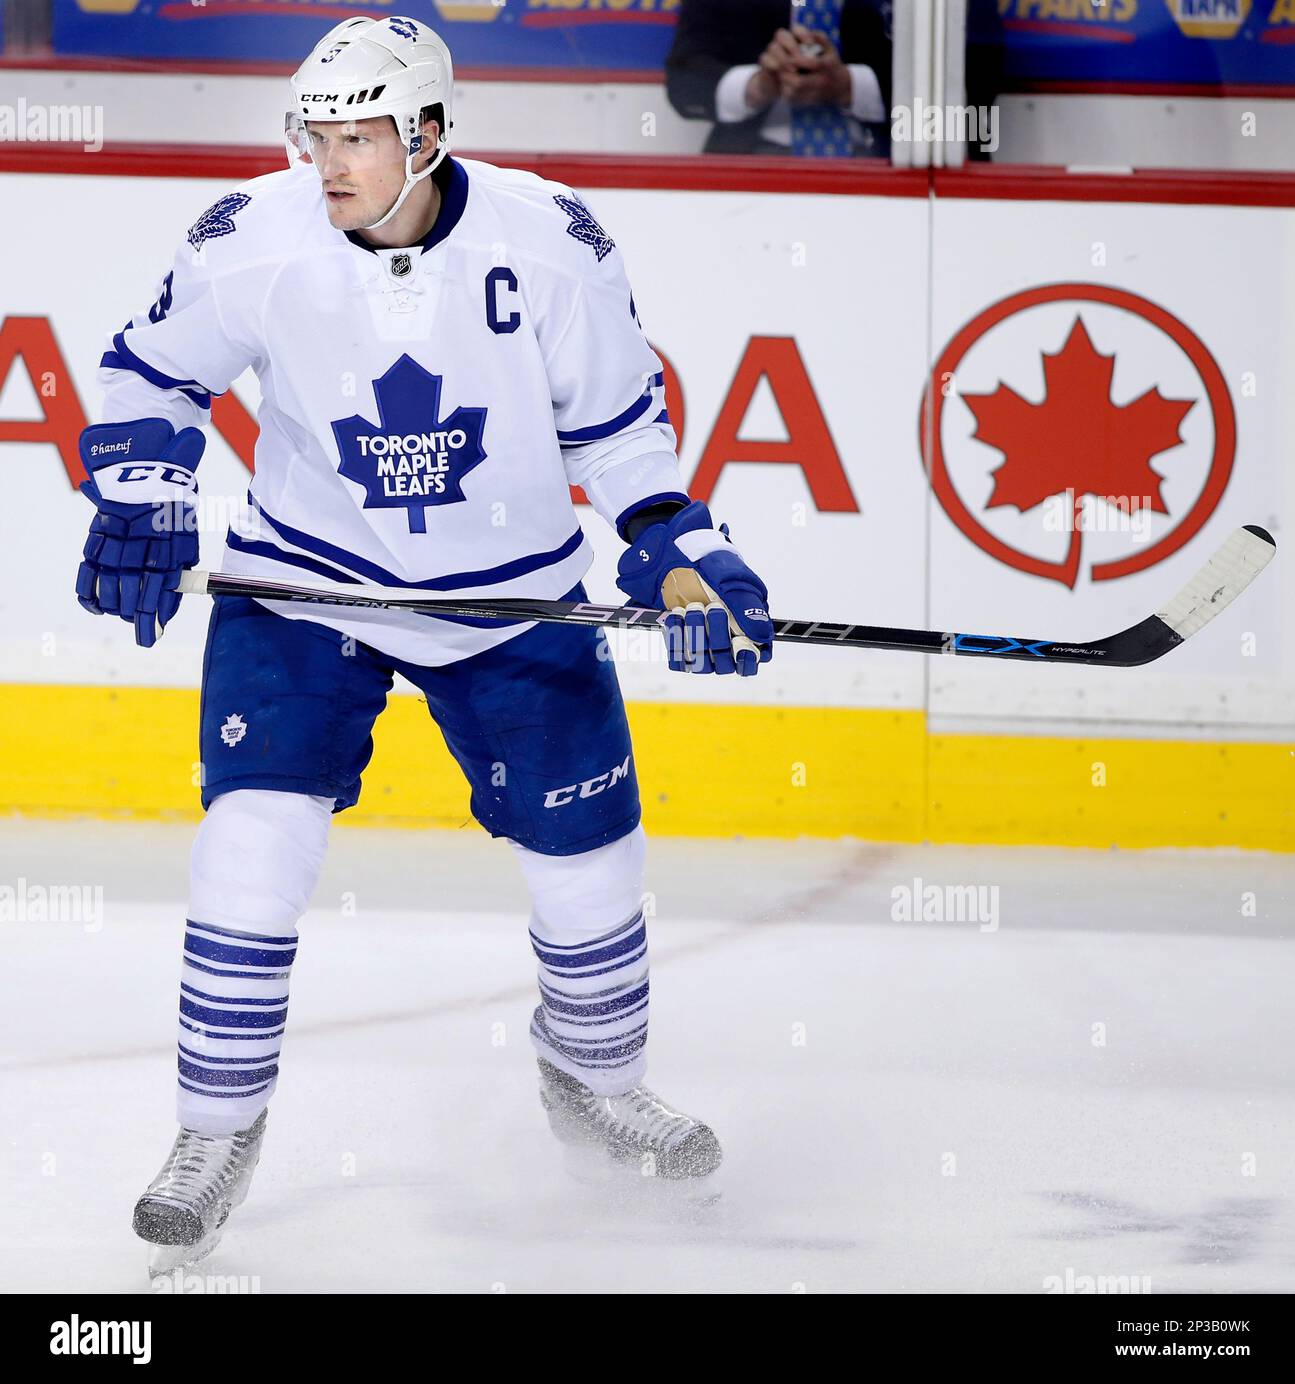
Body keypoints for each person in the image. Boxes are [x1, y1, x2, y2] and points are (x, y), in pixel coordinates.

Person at [74, 14, 774, 1275]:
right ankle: (211, 1133)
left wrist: (679, 546)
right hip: (305, 587)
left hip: (509, 599)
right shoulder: (255, 239)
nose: (329, 164)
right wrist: (140, 495)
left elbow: (619, 435)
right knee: (249, 849)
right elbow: (147, 375)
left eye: (358, 138)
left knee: (590, 865)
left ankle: (595, 1085)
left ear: (431, 134)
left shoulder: (551, 241)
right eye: (316, 136)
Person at [666, 0, 892, 156]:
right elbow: (684, 79)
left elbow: (924, 87)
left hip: (882, 162)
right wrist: (756, 86)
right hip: (753, 159)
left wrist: (849, 86)